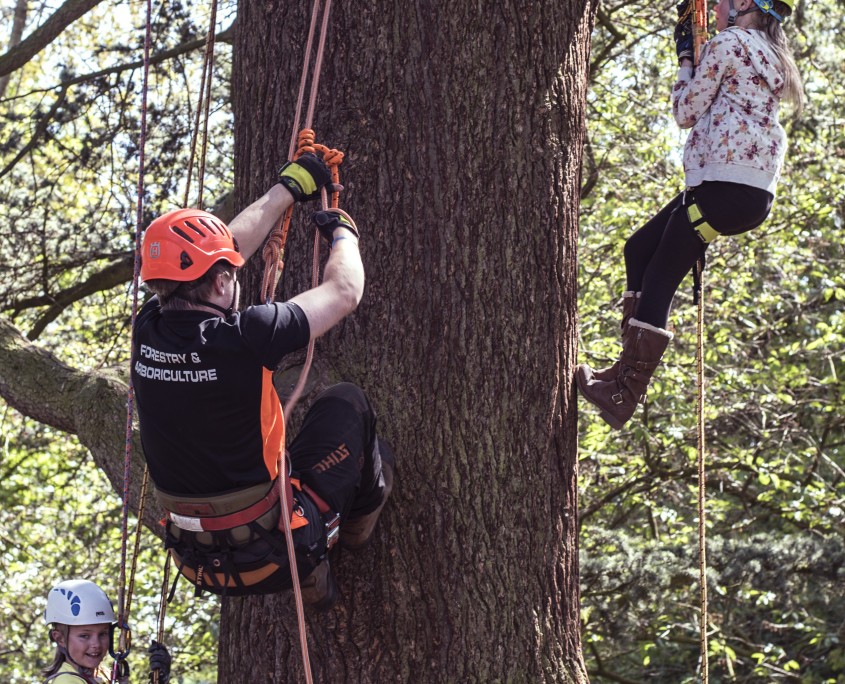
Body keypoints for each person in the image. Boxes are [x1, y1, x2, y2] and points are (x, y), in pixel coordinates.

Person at [130, 153, 394, 611]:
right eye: (229, 272)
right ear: (218, 283)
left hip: (197, 561)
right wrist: (343, 233)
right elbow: (344, 291)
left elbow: (224, 248)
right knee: (348, 406)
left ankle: (311, 563)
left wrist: (285, 191)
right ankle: (347, 534)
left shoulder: (146, 329)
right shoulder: (247, 336)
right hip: (278, 549)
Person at [576, 0, 802, 429]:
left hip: (724, 186)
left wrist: (685, 59)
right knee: (639, 249)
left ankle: (622, 394)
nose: (714, 7)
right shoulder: (773, 53)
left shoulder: (728, 43)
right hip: (746, 190)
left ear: (745, 6)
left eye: (722, 1)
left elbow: (685, 112)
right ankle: (622, 374)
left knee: (660, 273)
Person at [42, 579, 170, 683]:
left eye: (103, 634)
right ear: (60, 639)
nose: (96, 644)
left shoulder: (103, 675)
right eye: (85, 636)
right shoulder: (66, 681)